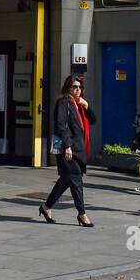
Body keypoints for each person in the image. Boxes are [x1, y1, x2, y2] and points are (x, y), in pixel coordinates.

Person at [39, 75, 96, 227]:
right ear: (67, 88)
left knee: (66, 180)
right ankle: (82, 213)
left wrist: (86, 105)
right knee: (76, 178)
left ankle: (46, 207)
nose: (77, 90)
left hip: (79, 148)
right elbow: (61, 125)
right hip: (68, 149)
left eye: (80, 87)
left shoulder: (78, 104)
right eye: (74, 87)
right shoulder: (63, 102)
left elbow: (93, 120)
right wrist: (68, 146)